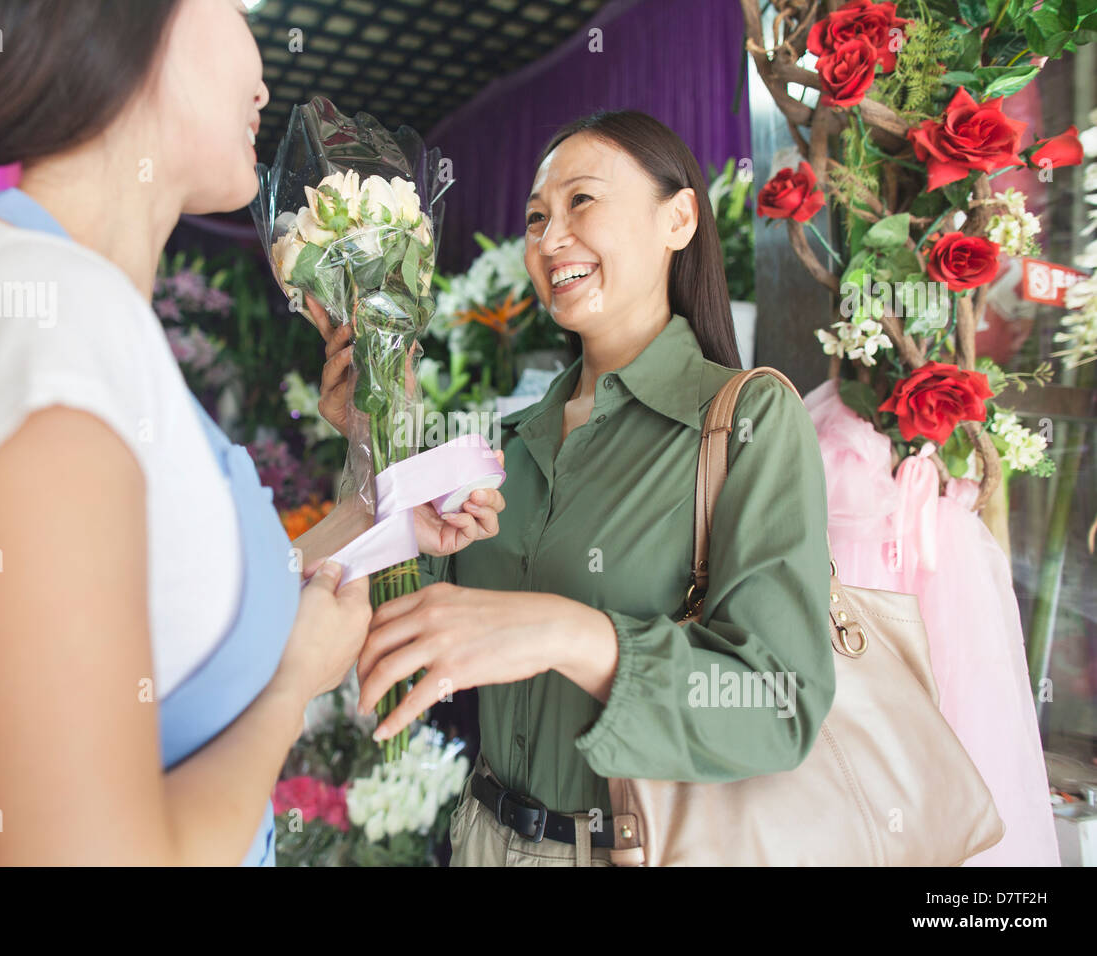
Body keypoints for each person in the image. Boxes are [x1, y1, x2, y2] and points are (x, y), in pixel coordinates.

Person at [0, 0, 503, 866]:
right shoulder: (29, 316)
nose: (264, 64)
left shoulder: (68, 306)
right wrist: (290, 687)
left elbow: (169, 613)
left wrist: (375, 507)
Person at [324, 111, 837, 866]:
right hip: (480, 841)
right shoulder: (503, 442)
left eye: (581, 202)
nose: (550, 237)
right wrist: (375, 439)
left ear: (680, 217)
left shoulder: (750, 420)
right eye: (535, 218)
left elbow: (776, 706)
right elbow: (395, 633)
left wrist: (565, 632)